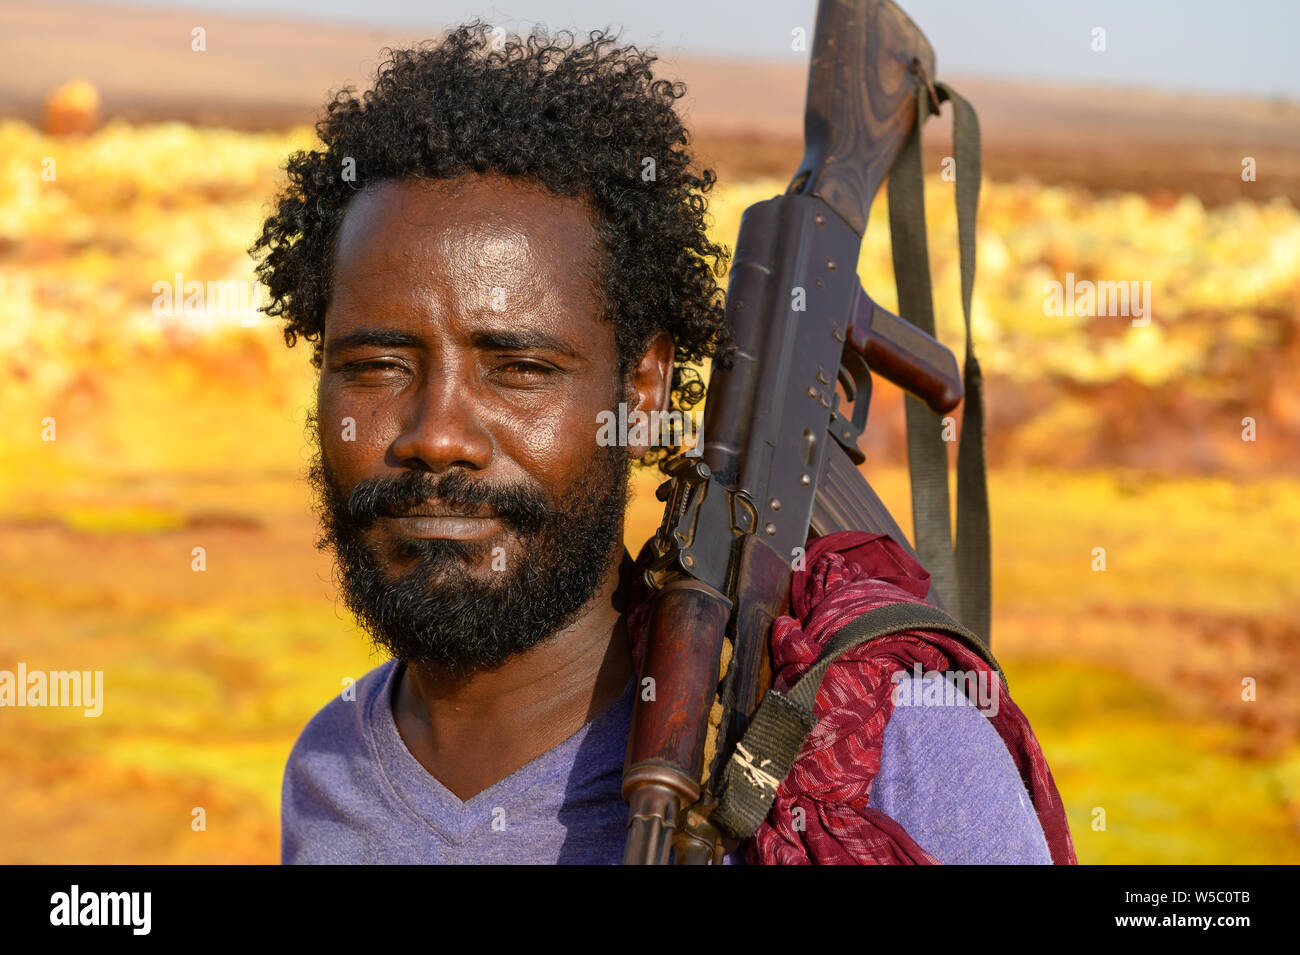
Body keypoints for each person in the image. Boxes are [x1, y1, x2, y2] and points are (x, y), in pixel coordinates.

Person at [254, 20, 1073, 865]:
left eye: (520, 369)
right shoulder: (331, 772)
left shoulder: (889, 756)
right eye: (379, 365)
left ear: (642, 387)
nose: (437, 436)